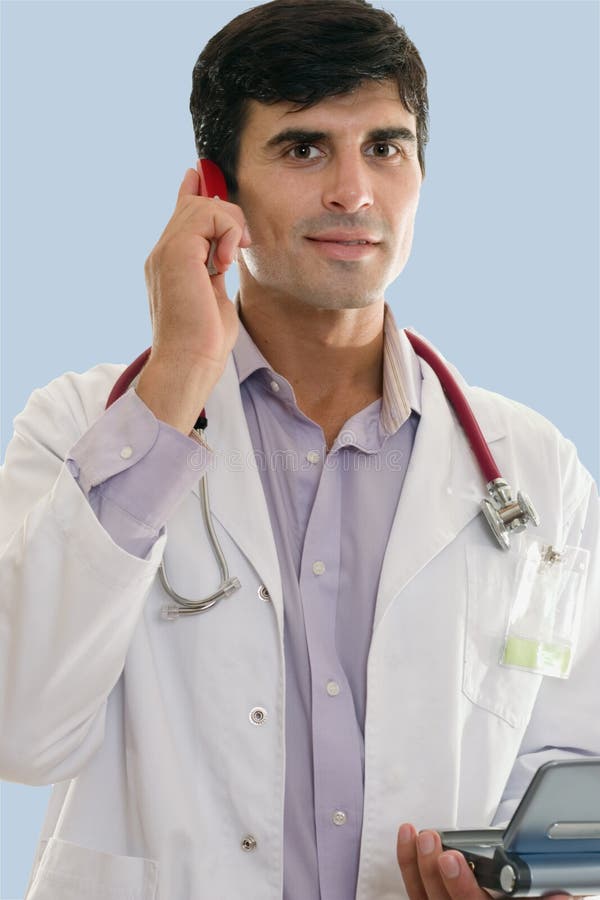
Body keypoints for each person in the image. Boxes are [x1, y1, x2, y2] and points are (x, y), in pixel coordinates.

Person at [0, 0, 598, 898]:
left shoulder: (532, 463)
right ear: (215, 186)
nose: (354, 193)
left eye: (386, 148)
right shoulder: (86, 427)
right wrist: (176, 385)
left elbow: (570, 765)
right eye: (303, 147)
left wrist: (540, 886)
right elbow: (21, 728)